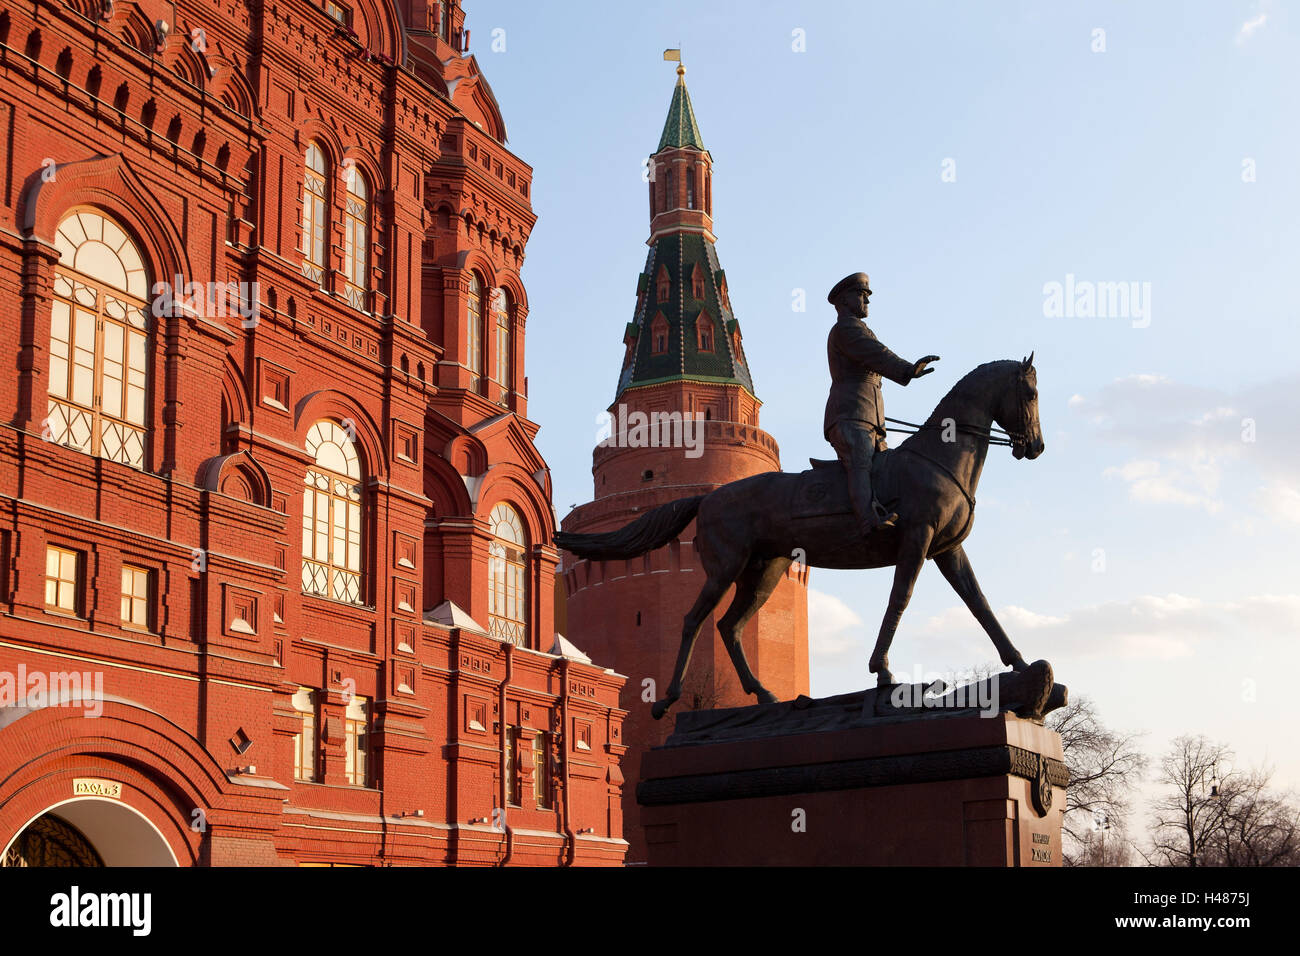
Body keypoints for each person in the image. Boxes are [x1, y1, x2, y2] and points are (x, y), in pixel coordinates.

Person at [823, 272, 939, 535]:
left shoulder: (860, 328)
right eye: (862, 295)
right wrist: (908, 370)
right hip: (849, 417)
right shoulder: (846, 329)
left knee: (885, 468)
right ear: (845, 300)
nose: (867, 301)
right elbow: (876, 354)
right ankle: (867, 521)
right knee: (861, 462)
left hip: (869, 419)